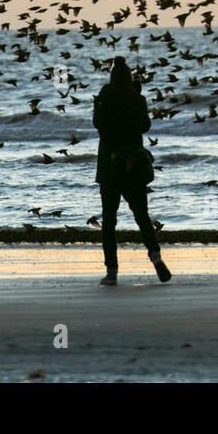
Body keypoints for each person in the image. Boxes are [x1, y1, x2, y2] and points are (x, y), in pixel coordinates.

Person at [93, 56, 171, 285]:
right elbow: (145, 126)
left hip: (110, 167)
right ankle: (156, 258)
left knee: (109, 221)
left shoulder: (105, 96)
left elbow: (99, 125)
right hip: (134, 166)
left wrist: (97, 105)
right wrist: (137, 96)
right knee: (142, 217)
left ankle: (112, 272)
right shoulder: (137, 99)